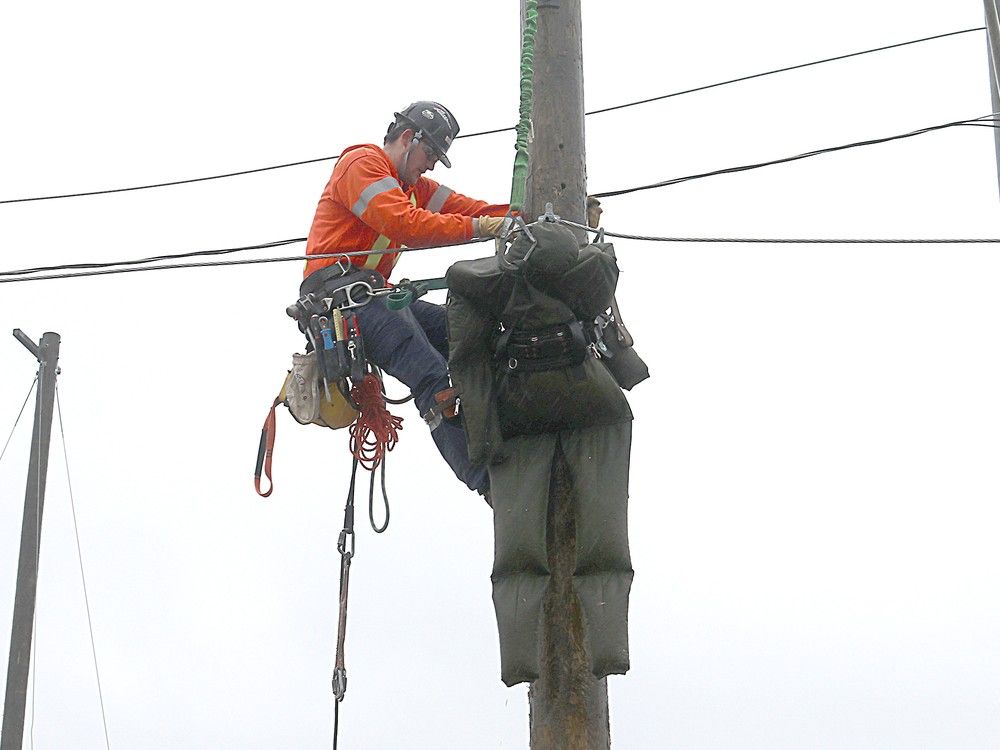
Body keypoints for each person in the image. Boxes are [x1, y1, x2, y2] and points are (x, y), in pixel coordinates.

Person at [302, 101, 509, 497]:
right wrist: (482, 228)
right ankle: (488, 485)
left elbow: (472, 209)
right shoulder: (362, 164)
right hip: (339, 300)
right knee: (430, 372)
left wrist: (526, 215)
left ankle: (505, 439)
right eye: (429, 153)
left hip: (371, 295)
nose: (430, 165)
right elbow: (405, 225)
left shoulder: (414, 188)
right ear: (408, 138)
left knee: (468, 333)